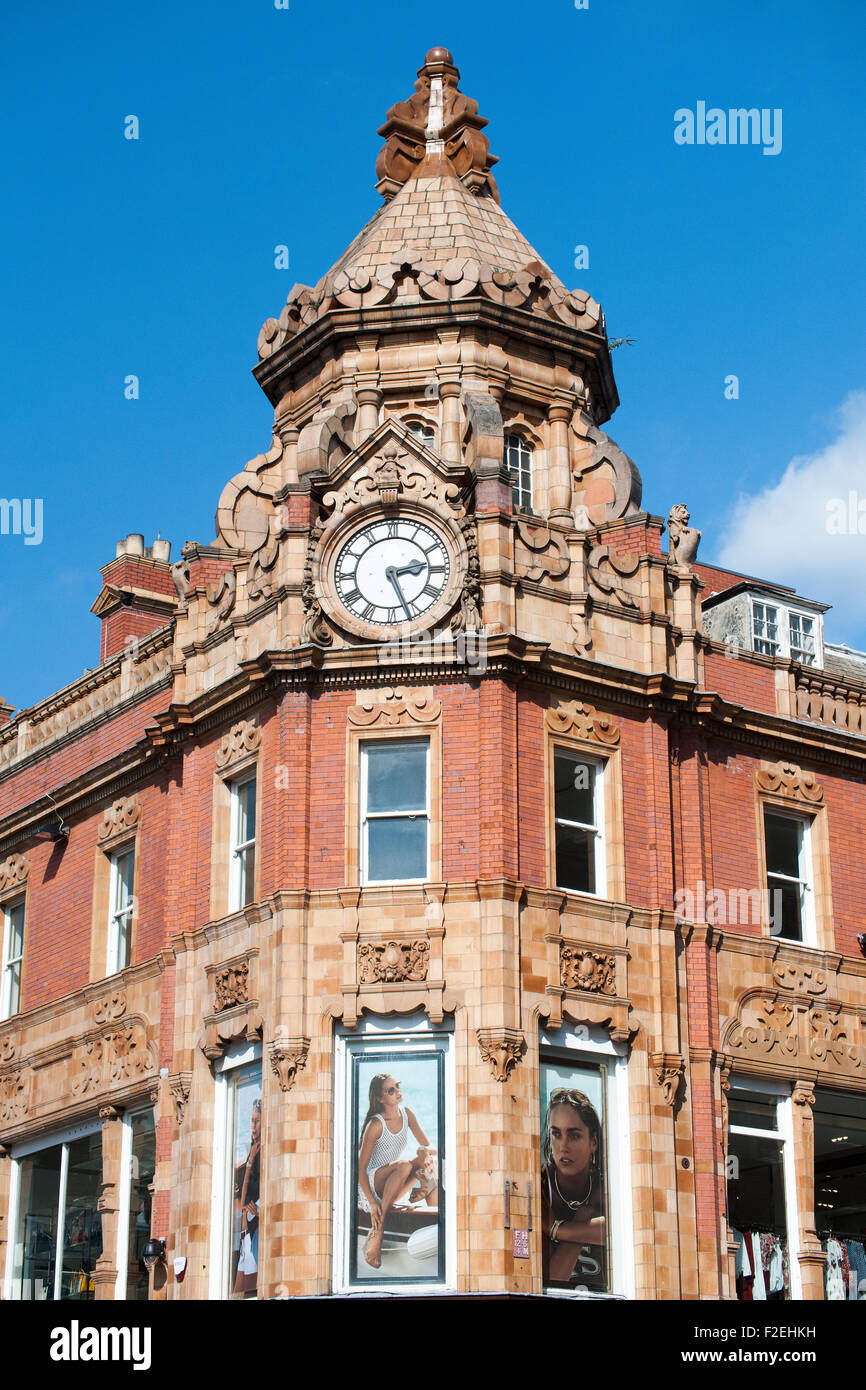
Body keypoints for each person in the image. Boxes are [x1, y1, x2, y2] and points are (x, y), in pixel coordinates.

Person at [357, 1074, 436, 1269]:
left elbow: (430, 1146)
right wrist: (372, 1202)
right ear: (380, 1099)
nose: (397, 1092)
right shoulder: (375, 1125)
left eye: (397, 1087)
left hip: (392, 1184)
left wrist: (425, 1154)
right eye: (390, 1090)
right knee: (405, 1165)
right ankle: (379, 1230)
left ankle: (436, 1218)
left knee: (422, 1159)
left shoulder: (407, 1114)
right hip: (371, 1185)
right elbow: (359, 1171)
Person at [541, 1087, 606, 1288]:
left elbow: (621, 1230)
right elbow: (555, 1280)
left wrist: (556, 1229)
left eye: (574, 1135)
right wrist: (584, 1222)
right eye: (556, 1134)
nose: (563, 1146)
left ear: (593, 1141)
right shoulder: (541, 1186)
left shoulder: (608, 1186)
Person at [233, 1098, 261, 1296]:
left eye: (256, 1121)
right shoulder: (247, 1162)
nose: (252, 1127)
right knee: (239, 1291)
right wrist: (249, 1162)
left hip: (255, 1237)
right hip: (245, 1238)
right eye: (251, 1121)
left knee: (249, 1290)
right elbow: (240, 1203)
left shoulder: (266, 1157)